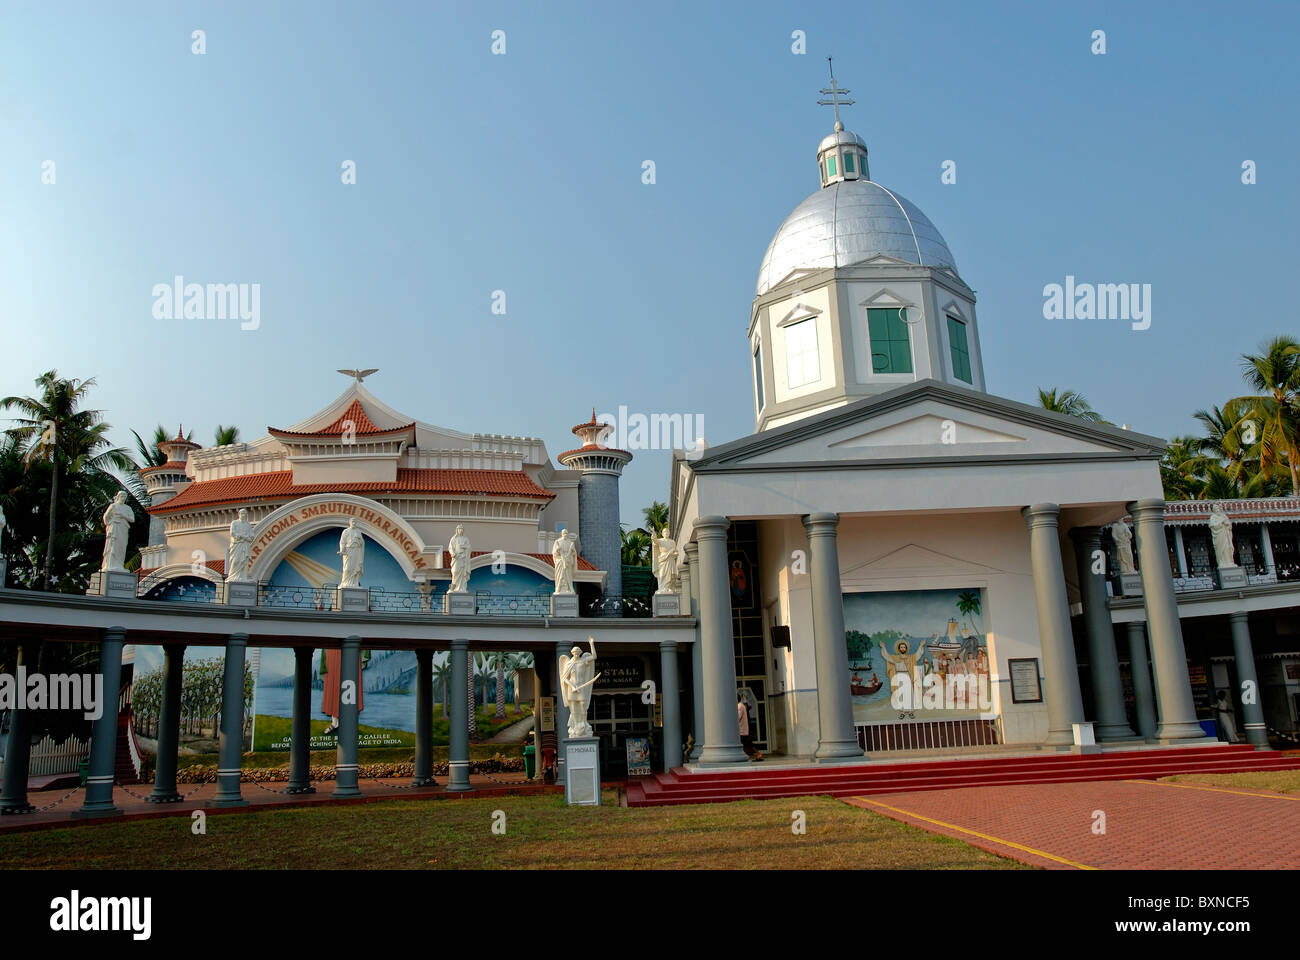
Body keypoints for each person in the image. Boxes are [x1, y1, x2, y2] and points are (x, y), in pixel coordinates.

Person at [737, 690, 764, 761]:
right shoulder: (741, 706)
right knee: (748, 743)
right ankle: (758, 754)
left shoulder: (739, 706)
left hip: (741, 730)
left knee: (745, 743)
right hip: (743, 729)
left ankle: (757, 754)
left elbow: (738, 718)